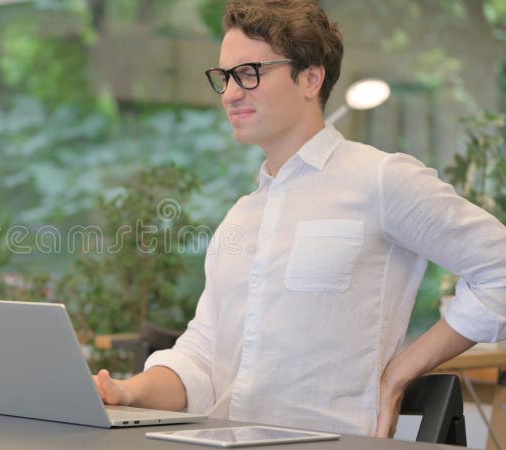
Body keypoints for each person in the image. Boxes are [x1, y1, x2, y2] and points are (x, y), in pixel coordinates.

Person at [93, 0, 506, 438]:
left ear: (311, 78)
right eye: (225, 77)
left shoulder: (381, 180)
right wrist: (127, 392)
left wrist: (402, 370)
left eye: (249, 73)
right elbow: (203, 356)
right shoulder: (241, 217)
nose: (231, 93)